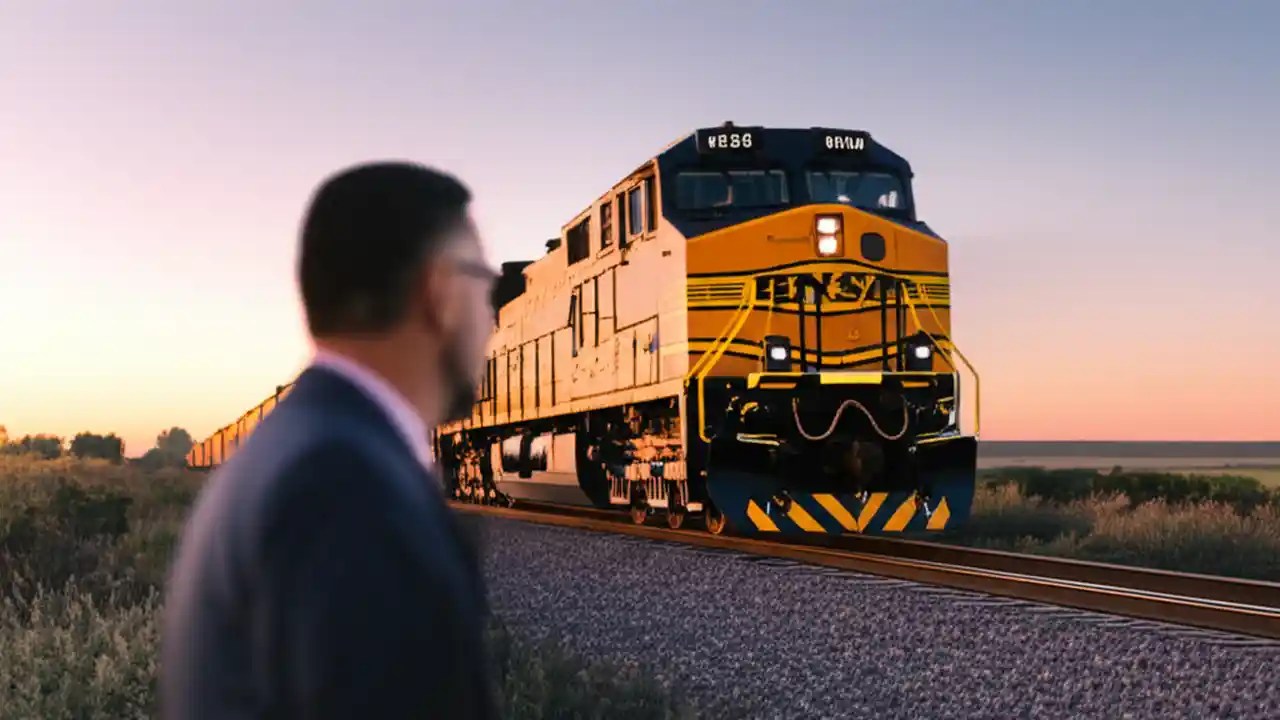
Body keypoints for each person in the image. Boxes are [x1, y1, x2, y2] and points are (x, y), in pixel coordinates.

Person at [159, 162, 500, 719]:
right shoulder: (343, 488)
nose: (491, 315)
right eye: (486, 284)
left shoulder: (301, 450)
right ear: (439, 293)